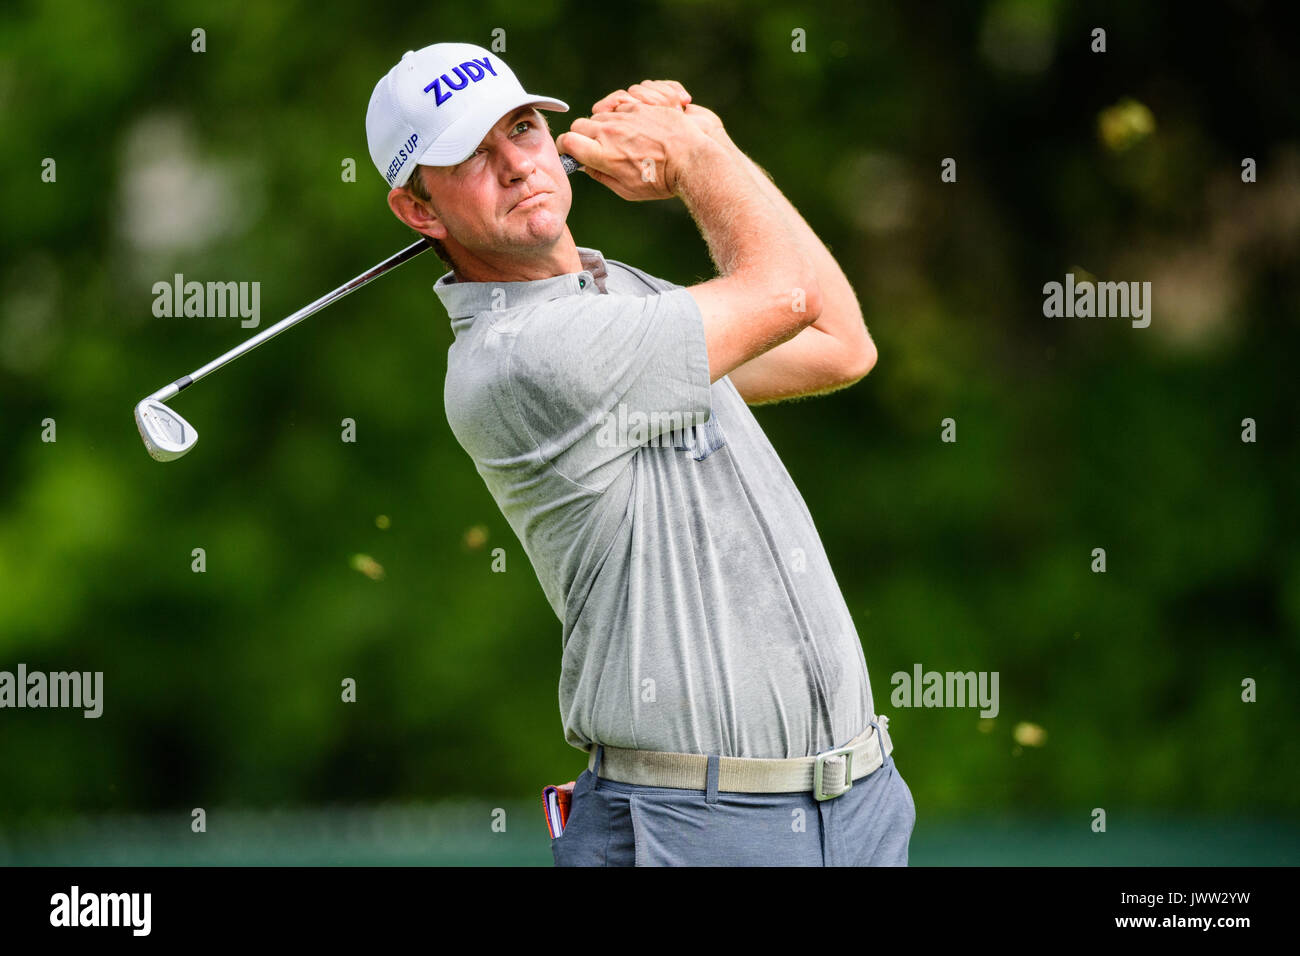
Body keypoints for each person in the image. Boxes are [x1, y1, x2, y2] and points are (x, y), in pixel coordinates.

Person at [365, 41, 914, 866]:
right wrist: (696, 157)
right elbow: (785, 291)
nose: (515, 164)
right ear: (419, 211)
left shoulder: (618, 294)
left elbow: (839, 342)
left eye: (520, 128)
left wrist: (708, 143)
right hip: (701, 827)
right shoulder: (525, 354)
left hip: (861, 805)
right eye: (470, 157)